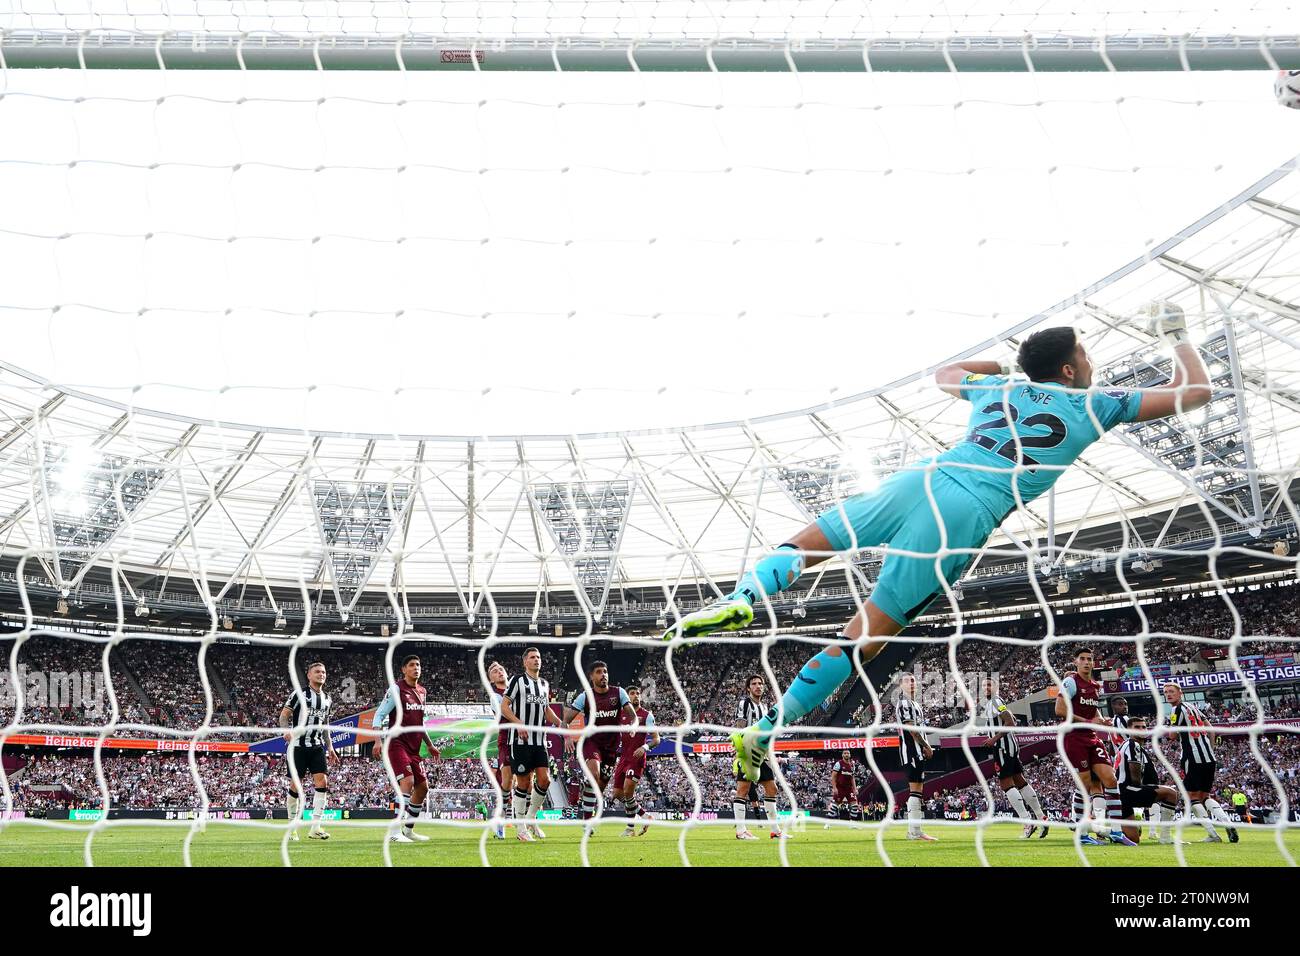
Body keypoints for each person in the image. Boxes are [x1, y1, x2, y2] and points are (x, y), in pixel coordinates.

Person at [661, 310, 1211, 788]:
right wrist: (1176, 334)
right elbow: (1195, 391)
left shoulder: (998, 391)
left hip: (922, 478)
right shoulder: (1097, 403)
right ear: (1069, 369)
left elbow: (944, 374)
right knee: (864, 638)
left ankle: (744, 595)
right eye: (1084, 356)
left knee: (806, 544)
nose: (1090, 363)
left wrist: (1004, 368)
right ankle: (766, 730)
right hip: (967, 514)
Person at [498, 647, 567, 842]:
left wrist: (561, 724)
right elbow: (504, 707)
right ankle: (520, 828)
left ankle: (529, 819)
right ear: (525, 662)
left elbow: (546, 711)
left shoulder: (544, 685)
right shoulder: (517, 681)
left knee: (544, 780)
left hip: (539, 741)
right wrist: (518, 723)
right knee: (524, 782)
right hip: (519, 740)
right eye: (532, 657)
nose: (537, 660)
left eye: (538, 657)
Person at [371, 655, 442, 844]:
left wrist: (429, 744)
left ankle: (408, 830)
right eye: (411, 665)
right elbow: (378, 716)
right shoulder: (396, 689)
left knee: (423, 788)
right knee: (408, 781)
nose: (416, 668)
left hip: (414, 747)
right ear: (403, 669)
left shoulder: (422, 691)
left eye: (418, 665)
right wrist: (377, 741)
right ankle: (394, 832)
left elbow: (419, 723)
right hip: (397, 744)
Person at [279, 661, 339, 841]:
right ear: (309, 675)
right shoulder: (299, 694)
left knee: (322, 782)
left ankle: (315, 827)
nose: (321, 674)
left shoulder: (328, 698)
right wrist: (286, 730)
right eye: (317, 672)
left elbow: (325, 725)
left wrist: (330, 747)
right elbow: (284, 716)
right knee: (296, 785)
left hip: (317, 746)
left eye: (323, 672)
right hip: (298, 746)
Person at [982, 676, 1048, 839]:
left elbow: (1011, 722)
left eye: (990, 684)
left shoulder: (996, 702)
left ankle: (1027, 821)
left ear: (996, 687)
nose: (986, 687)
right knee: (1019, 780)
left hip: (1003, 747)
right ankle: (1041, 817)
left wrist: (993, 739)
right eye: (984, 685)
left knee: (1006, 783)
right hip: (1010, 747)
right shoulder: (994, 703)